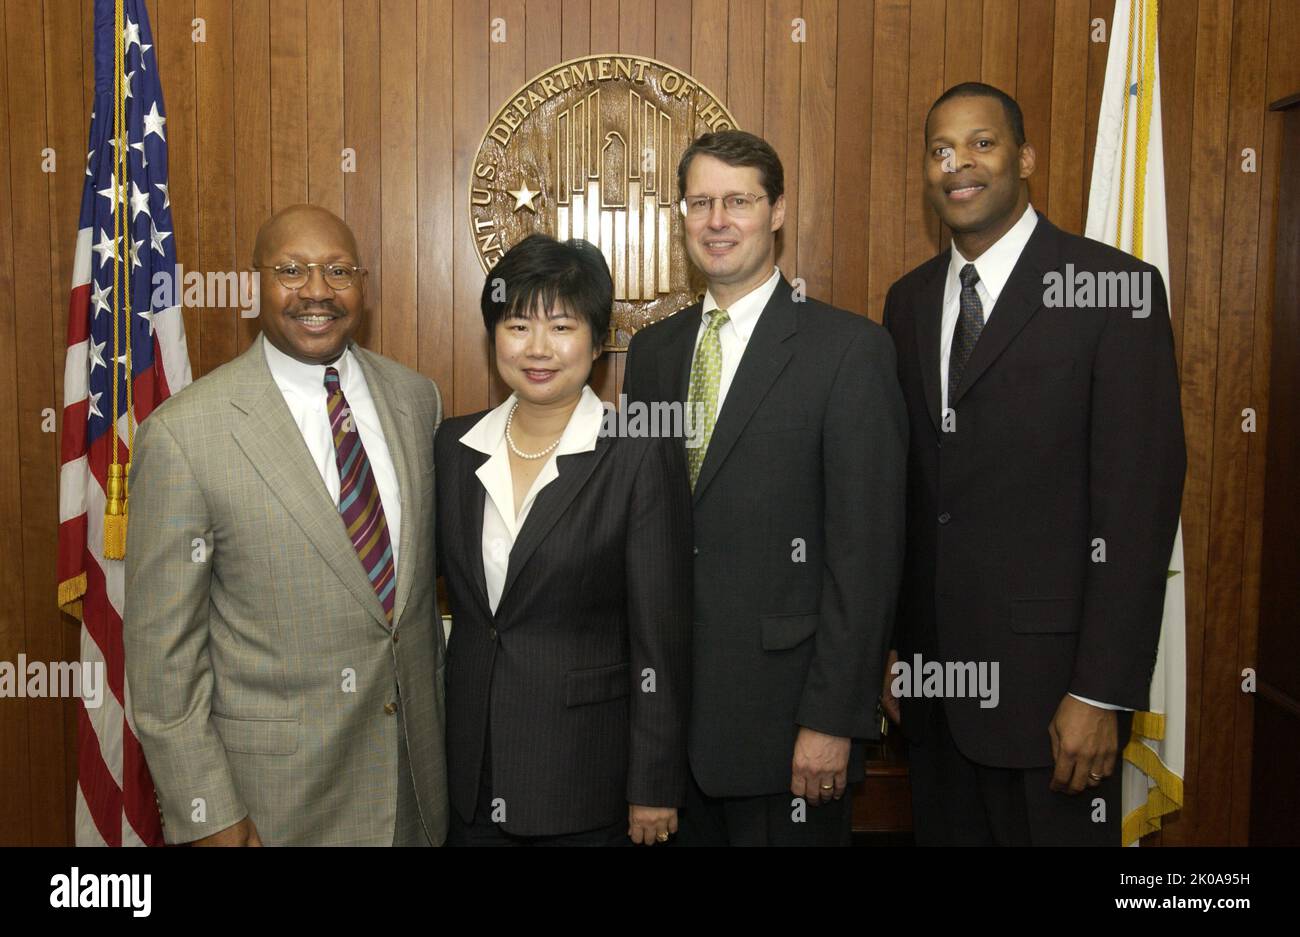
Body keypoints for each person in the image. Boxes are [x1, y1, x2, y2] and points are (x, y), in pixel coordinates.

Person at [880, 82, 1186, 845]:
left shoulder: (1115, 292)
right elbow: (912, 497)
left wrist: (1101, 691)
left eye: (982, 144)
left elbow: (1138, 509)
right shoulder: (907, 301)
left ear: (1025, 158)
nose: (960, 165)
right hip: (934, 698)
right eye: (941, 150)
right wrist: (891, 649)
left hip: (1056, 706)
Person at [124, 204, 447, 846]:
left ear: (364, 286)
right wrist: (208, 810)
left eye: (339, 270)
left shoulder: (417, 401)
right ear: (254, 288)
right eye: (291, 271)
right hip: (272, 811)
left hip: (415, 796)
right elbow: (163, 664)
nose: (318, 292)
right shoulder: (184, 435)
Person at [623, 130, 908, 846]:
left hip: (788, 736)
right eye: (699, 202)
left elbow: (865, 554)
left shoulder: (848, 350)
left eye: (738, 201)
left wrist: (834, 718)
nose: (716, 220)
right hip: (669, 743)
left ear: (777, 211)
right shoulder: (653, 355)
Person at [436, 234, 692, 846]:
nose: (538, 348)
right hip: (469, 773)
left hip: (584, 780)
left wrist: (653, 783)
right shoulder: (453, 446)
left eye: (562, 326)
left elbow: (662, 635)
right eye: (518, 325)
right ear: (493, 334)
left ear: (598, 340)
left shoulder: (636, 452)